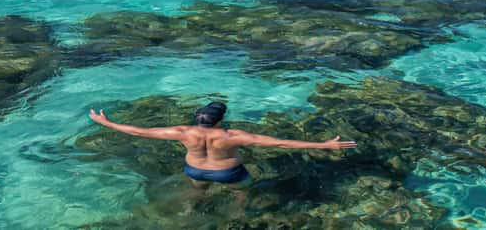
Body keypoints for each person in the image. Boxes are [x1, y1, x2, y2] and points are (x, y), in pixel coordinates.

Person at [88, 101, 357, 186]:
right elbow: (281, 143)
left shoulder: (183, 132)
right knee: (241, 193)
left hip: (193, 169)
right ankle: (237, 217)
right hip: (229, 173)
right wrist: (324, 146)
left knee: (196, 191)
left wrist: (107, 123)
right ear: (220, 120)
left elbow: (138, 131)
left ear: (198, 118)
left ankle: (189, 209)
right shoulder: (231, 136)